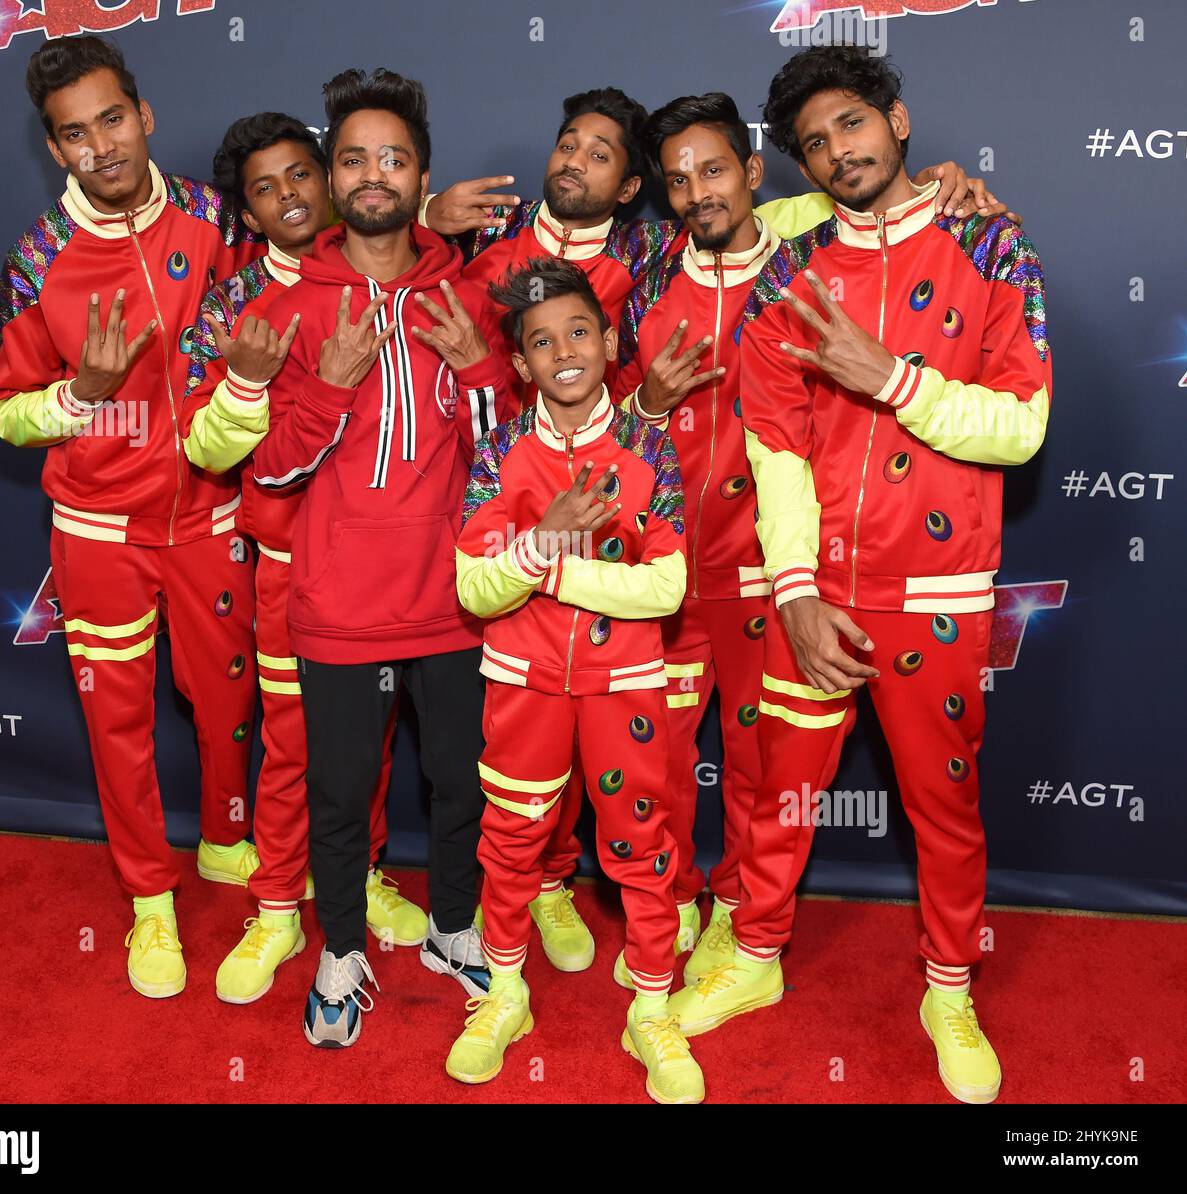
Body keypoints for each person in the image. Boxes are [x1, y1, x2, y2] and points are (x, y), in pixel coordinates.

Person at [423, 86, 1014, 972]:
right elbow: (580, 397)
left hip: (758, 575)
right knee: (636, 767)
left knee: (756, 767)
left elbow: (865, 195)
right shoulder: (648, 267)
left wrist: (945, 184)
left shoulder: (806, 258)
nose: (699, 190)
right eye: (678, 179)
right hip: (642, 572)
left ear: (752, 171)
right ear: (657, 195)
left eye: (714, 170)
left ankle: (737, 919)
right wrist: (645, 404)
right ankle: (609, 898)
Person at [667, 46, 1051, 1107]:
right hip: (818, 603)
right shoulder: (789, 277)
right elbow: (776, 451)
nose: (838, 151)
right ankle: (753, 956)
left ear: (897, 118)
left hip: (937, 596)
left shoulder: (986, 239)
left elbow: (1021, 427)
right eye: (814, 143)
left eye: (851, 125)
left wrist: (896, 382)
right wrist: (793, 591)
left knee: (945, 809)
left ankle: (947, 985)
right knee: (781, 801)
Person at [0, 35, 259, 999]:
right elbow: (6, 413)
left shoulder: (210, 216)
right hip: (101, 531)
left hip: (212, 513)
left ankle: (230, 843)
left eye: (112, 120)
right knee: (121, 725)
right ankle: (150, 902)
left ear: (142, 117)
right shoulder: (37, 258)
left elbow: (306, 266)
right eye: (75, 134)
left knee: (229, 696)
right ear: (54, 150)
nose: (100, 145)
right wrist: (81, 393)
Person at [251, 68, 517, 1048]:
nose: (373, 175)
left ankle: (451, 928)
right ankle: (340, 948)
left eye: (392, 158)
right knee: (336, 790)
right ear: (331, 177)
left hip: (451, 598)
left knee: (460, 777)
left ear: (422, 174)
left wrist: (480, 371)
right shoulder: (290, 308)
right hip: (338, 604)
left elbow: (513, 458)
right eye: (354, 158)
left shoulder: (470, 295)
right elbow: (269, 472)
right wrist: (328, 388)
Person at [180, 112, 426, 1003]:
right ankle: (280, 906)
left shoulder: (409, 262)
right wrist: (247, 379)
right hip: (297, 566)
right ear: (244, 213)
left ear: (331, 180)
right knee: (297, 749)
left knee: (375, 747)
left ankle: (358, 880)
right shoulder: (239, 307)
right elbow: (208, 448)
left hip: (405, 566)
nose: (288, 196)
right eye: (263, 187)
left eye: (300, 176)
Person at [451, 258, 702, 1104]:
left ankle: (653, 1006)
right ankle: (506, 995)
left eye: (580, 332)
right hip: (521, 684)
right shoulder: (499, 451)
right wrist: (537, 541)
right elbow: (473, 587)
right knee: (513, 840)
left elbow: (666, 587)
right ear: (519, 364)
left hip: (626, 682)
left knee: (639, 839)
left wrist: (548, 564)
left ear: (610, 340)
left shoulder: (647, 449)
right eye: (542, 341)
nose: (564, 351)